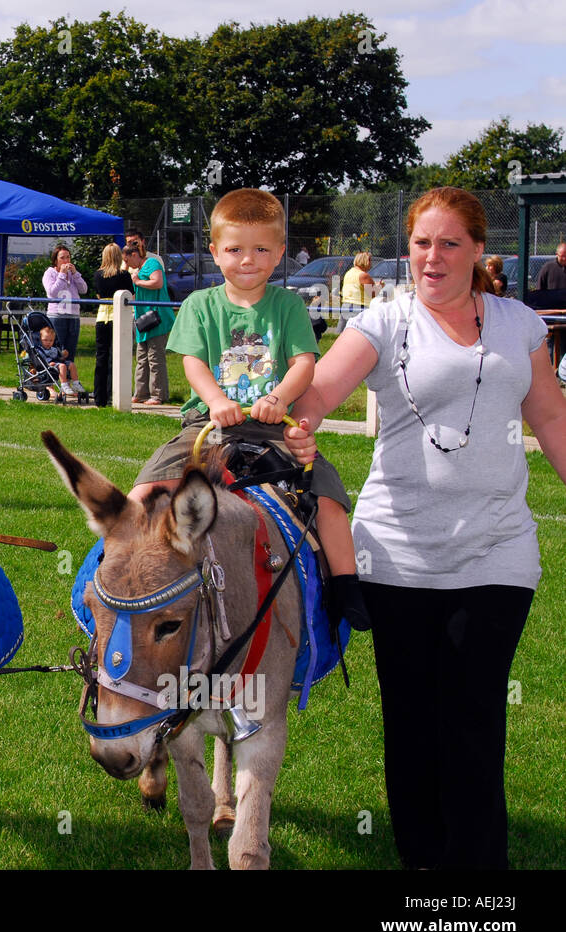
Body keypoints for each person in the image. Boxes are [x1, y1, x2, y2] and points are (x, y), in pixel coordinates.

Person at [284, 186, 566, 870]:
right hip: (397, 555)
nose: (431, 258)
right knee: (412, 725)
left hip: (497, 554)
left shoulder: (517, 323)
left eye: (448, 243)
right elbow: (319, 393)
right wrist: (295, 421)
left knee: (472, 721)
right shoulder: (384, 319)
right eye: (420, 243)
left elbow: (551, 419)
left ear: (477, 250)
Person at [129, 188, 369, 629]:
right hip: (208, 425)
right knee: (144, 488)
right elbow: (193, 364)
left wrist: (277, 399)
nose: (248, 260)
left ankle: (346, 582)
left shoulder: (289, 306)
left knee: (328, 492)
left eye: (261, 249)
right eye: (235, 249)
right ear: (216, 252)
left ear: (278, 254)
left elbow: (304, 364)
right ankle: (120, 568)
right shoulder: (200, 305)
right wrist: (218, 401)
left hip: (272, 425)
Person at [125, 239, 175, 405]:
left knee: (155, 358)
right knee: (141, 357)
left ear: (134, 255)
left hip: (157, 319)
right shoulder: (138, 269)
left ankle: (158, 394)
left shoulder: (152, 263)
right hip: (143, 320)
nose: (126, 264)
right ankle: (141, 392)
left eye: (127, 260)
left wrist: (138, 282)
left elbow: (157, 282)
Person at [90, 243, 133, 407]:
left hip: (102, 317)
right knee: (116, 357)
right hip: (118, 317)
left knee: (101, 356)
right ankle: (111, 394)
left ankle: (99, 396)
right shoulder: (124, 275)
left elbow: (99, 294)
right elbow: (130, 297)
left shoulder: (98, 275)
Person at [42, 245, 87, 390]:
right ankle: (53, 383)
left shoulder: (72, 274)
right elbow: (52, 292)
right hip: (57, 316)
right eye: (62, 257)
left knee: (69, 351)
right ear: (55, 260)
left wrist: (75, 274)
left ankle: (69, 382)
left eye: (68, 257)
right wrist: (61, 275)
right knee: (57, 352)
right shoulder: (50, 273)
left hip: (73, 316)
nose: (66, 260)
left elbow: (84, 289)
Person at [33, 322, 79, 394]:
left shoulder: (54, 349)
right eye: (45, 340)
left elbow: (59, 358)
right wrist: (49, 362)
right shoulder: (39, 349)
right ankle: (64, 385)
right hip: (47, 364)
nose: (48, 342)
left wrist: (63, 355)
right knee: (62, 366)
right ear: (40, 339)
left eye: (51, 340)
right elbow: (40, 359)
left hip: (57, 363)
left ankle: (76, 384)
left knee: (71, 364)